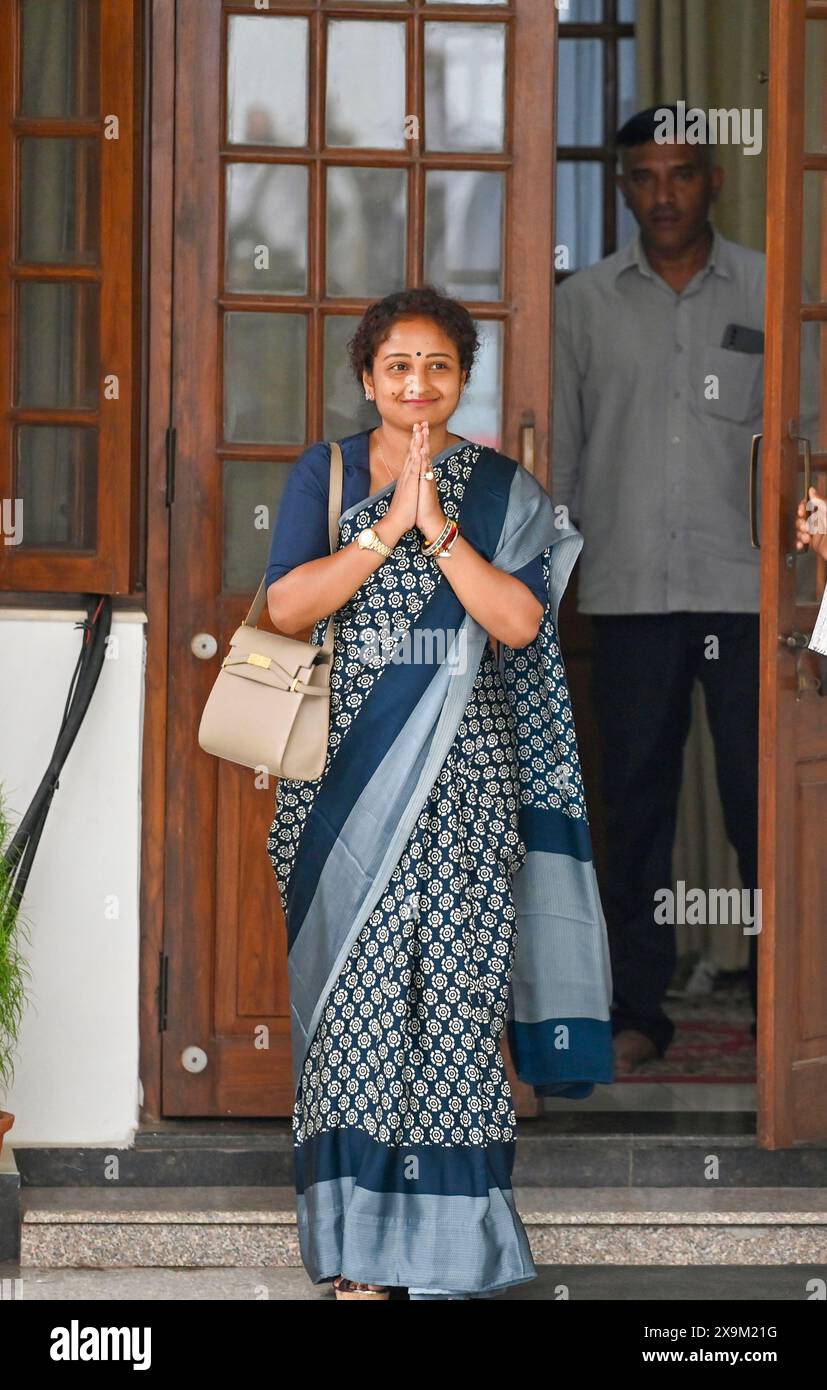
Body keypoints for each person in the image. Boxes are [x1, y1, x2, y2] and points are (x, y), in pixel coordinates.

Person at [264, 284, 613, 1300]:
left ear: (462, 379)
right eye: (396, 367)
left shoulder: (503, 493)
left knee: (453, 1020)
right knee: (357, 1021)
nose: (417, 386)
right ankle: (361, 1260)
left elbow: (515, 623)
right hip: (339, 803)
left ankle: (452, 1254)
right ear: (367, 377)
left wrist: (441, 528)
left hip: (468, 801)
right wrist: (383, 533)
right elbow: (287, 604)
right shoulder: (323, 475)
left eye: (439, 367)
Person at [551, 105, 769, 1074]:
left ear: (712, 180)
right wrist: (541, 589)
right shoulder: (582, 304)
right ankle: (635, 1005)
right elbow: (552, 451)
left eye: (680, 174)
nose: (662, 194)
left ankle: (787, 1006)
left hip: (745, 593)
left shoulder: (769, 288)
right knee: (631, 805)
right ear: (621, 187)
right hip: (627, 595)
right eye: (643, 176)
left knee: (762, 805)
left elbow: (800, 441)